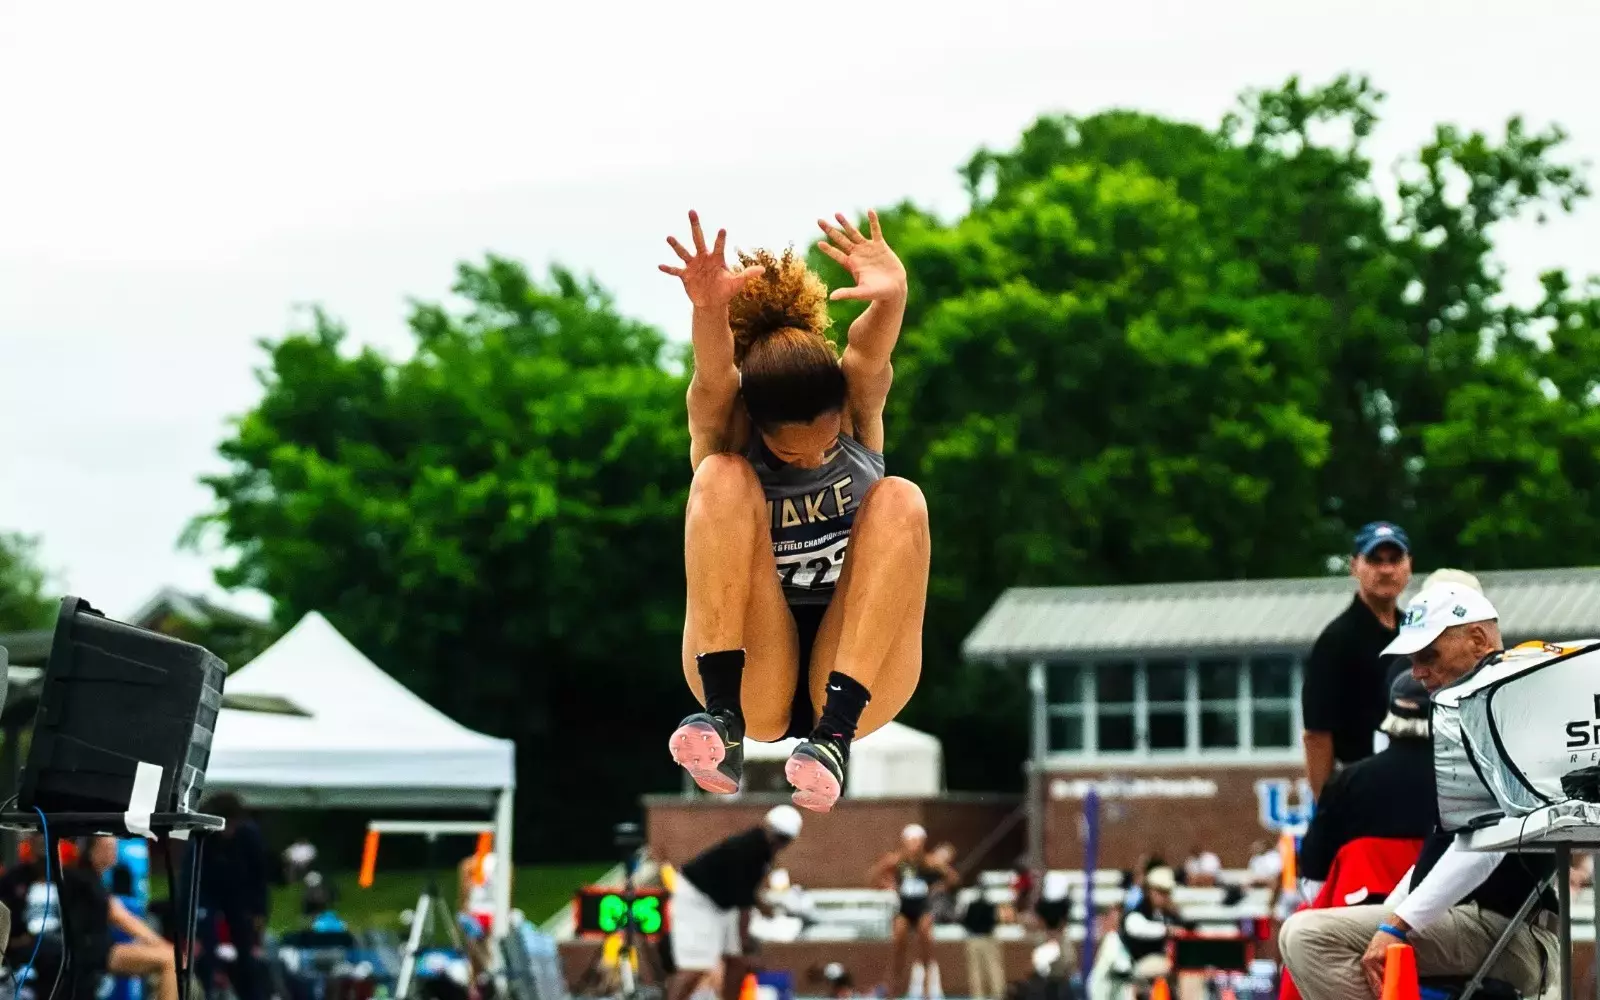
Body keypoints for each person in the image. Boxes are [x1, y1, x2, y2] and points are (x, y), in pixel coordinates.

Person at [659, 209, 930, 813]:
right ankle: (721, 719)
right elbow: (711, 377)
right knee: (719, 478)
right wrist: (707, 310)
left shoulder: (856, 403)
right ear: (757, 424)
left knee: (901, 497)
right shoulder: (728, 427)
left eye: (826, 444)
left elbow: (870, 353)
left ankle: (833, 740)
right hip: (756, 661)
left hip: (860, 668)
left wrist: (893, 296)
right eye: (788, 451)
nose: (810, 460)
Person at [1278, 583, 1558, 1000]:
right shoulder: (1477, 712)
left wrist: (1395, 925)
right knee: (1300, 936)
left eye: (1428, 655)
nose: (1417, 672)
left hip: (1514, 934)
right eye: (1412, 660)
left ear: (1478, 641)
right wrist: (1392, 916)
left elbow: (1487, 845)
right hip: (1482, 923)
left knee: (1309, 937)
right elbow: (1448, 845)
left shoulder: (1511, 712)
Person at [1296, 671, 1436, 894]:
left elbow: (1313, 879)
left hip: (1358, 911)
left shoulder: (1346, 783)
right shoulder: (1467, 780)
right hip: (1443, 912)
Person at [1302, 521, 1414, 798]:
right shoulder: (1337, 640)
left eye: (1395, 559)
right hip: (1360, 787)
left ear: (1409, 565)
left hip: (1412, 783)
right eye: (1375, 560)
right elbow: (1317, 735)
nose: (1386, 569)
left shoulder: (1415, 634)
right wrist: (1326, 810)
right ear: (1354, 566)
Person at [666, 806, 803, 1000]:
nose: (779, 843)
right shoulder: (748, 851)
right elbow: (743, 904)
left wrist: (765, 911)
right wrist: (745, 942)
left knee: (737, 962)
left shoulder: (761, 851)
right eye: (779, 837)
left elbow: (745, 894)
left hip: (722, 904)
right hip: (698, 899)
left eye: (784, 839)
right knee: (695, 967)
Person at [869, 824, 957, 999]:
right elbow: (874, 875)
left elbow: (952, 877)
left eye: (917, 841)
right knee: (898, 943)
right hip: (905, 907)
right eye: (910, 841)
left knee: (926, 939)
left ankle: (926, 988)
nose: (913, 846)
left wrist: (938, 887)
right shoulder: (897, 860)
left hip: (922, 906)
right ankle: (893, 988)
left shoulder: (929, 861)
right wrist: (888, 885)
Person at [1117, 866, 1186, 984]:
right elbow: (1137, 928)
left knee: (1188, 969)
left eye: (1167, 893)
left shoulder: (1169, 915)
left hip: (1166, 961)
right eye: (1161, 892)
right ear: (1149, 891)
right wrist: (1167, 931)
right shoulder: (1138, 912)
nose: (1165, 897)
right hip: (1138, 963)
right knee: (1172, 966)